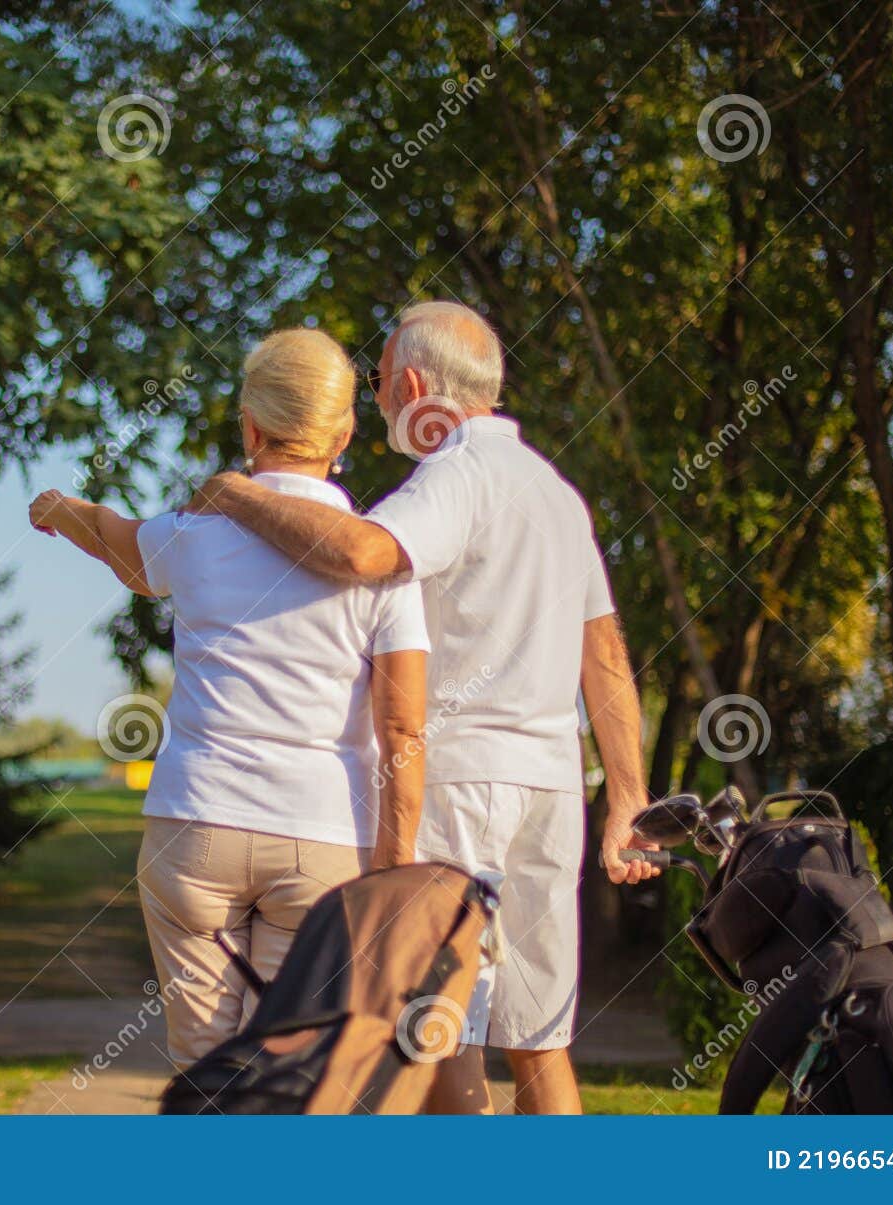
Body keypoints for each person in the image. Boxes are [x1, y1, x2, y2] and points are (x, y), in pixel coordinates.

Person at [185, 300, 658, 1115]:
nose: (374, 400)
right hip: (551, 789)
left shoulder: (456, 475)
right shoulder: (556, 494)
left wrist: (233, 494)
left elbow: (363, 552)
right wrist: (627, 798)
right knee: (540, 1040)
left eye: (376, 381)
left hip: (461, 785)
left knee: (439, 1030)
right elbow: (604, 654)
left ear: (410, 382)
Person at [27, 328, 431, 1071]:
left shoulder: (194, 536)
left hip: (194, 828)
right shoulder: (384, 561)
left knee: (201, 1067)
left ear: (250, 427)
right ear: (342, 435)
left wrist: (61, 507)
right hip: (323, 835)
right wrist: (396, 868)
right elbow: (403, 723)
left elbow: (115, 540)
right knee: (291, 1075)